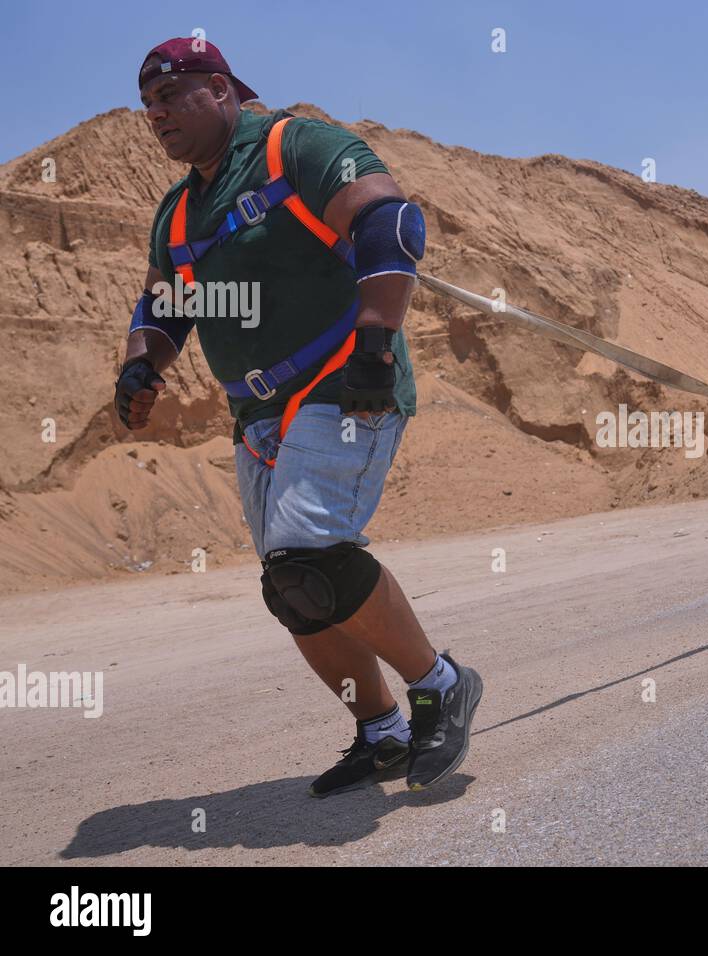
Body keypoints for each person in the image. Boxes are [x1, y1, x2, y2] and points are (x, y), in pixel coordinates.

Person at [115, 37, 482, 797]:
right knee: (292, 588)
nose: (157, 114)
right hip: (257, 413)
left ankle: (440, 684)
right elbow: (166, 303)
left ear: (221, 89)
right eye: (149, 103)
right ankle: (379, 731)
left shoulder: (296, 145)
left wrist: (377, 344)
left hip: (344, 383)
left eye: (172, 96)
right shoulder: (178, 211)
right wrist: (141, 363)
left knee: (309, 553)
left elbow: (389, 226)